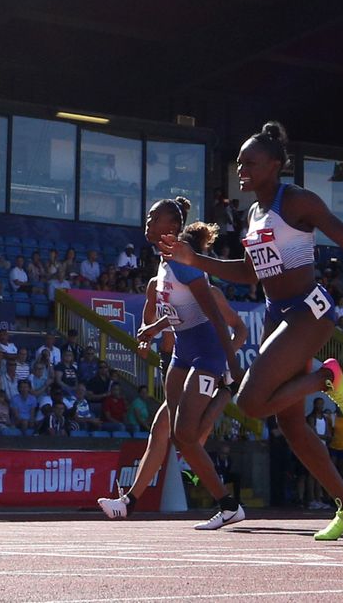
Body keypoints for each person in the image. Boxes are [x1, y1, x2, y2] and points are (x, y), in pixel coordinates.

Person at [161, 122, 343, 540]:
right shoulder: (255, 214)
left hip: (309, 313)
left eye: (250, 162)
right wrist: (196, 259)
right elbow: (248, 274)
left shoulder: (296, 202)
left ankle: (323, 376)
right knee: (292, 425)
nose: (241, 168)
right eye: (238, 162)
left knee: (252, 403)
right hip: (278, 312)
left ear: (275, 165)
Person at [98, 197, 246, 530]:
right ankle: (128, 502)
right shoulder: (166, 262)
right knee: (161, 430)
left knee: (185, 436)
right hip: (182, 353)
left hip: (206, 354)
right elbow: (180, 307)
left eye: (153, 218)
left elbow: (213, 315)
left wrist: (231, 364)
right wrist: (155, 327)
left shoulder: (182, 261)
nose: (147, 222)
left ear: (172, 227)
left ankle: (229, 505)